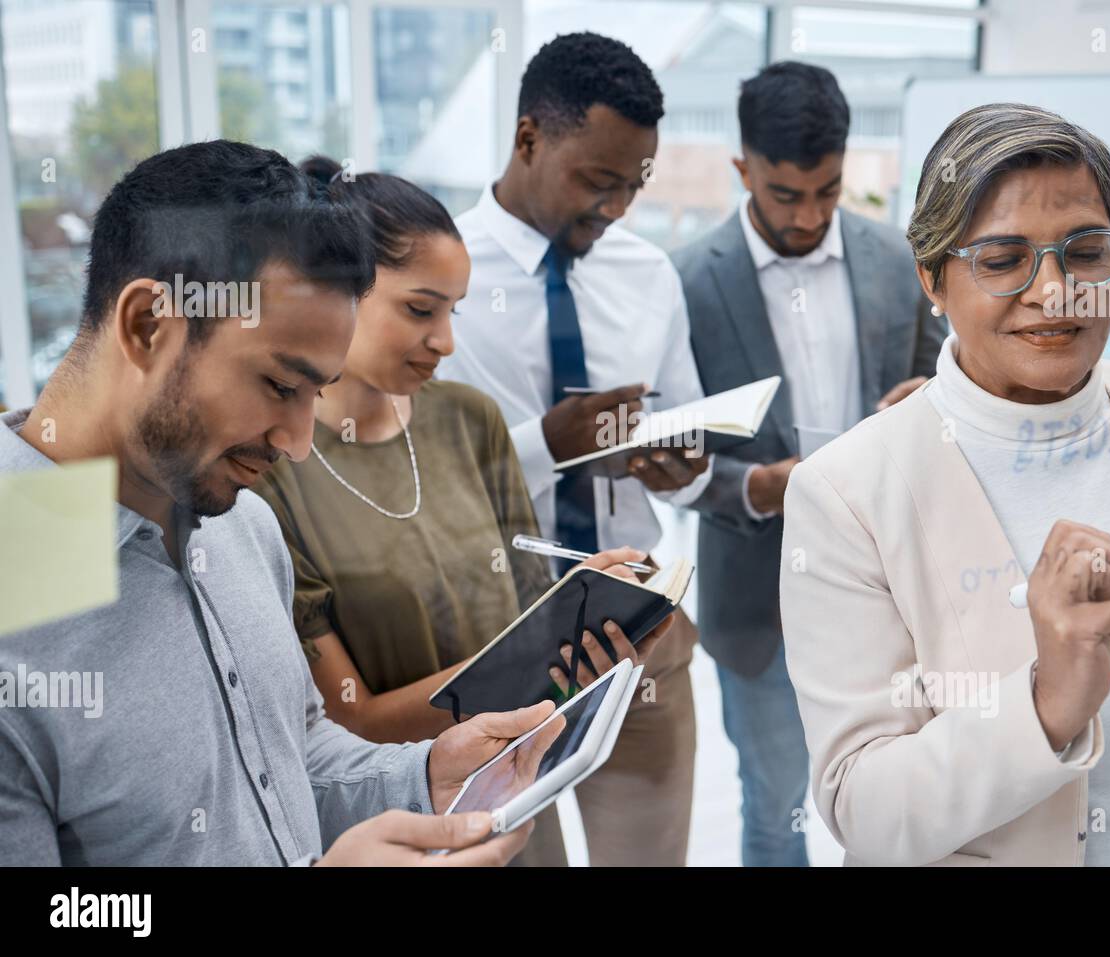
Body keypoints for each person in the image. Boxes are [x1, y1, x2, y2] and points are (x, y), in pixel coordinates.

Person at [0, 140, 549, 866]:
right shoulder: (20, 582)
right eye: (280, 386)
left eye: (316, 393)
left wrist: (420, 776)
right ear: (146, 327)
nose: (296, 443)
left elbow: (288, 756)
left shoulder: (243, 526)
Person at [779, 103, 1110, 866]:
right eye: (1001, 259)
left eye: (1086, 251)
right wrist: (1046, 703)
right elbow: (865, 807)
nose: (1056, 292)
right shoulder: (848, 492)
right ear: (932, 277)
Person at [252, 158, 675, 867]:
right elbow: (346, 718)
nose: (446, 341)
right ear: (337, 292)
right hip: (393, 832)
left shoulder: (469, 421)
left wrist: (590, 636)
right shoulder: (270, 472)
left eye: (454, 311)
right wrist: (529, 661)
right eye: (420, 310)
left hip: (519, 797)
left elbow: (533, 619)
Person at [436, 31, 706, 866]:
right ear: (528, 139)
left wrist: (686, 470)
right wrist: (546, 447)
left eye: (635, 183)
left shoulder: (648, 273)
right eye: (598, 180)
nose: (617, 205)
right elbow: (417, 476)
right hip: (497, 639)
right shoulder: (437, 275)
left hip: (639, 636)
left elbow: (690, 439)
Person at [673, 61, 945, 867]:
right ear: (742, 169)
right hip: (759, 603)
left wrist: (929, 401)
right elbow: (671, 455)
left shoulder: (898, 259)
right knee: (777, 808)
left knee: (904, 794)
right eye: (785, 194)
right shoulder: (686, 282)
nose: (809, 214)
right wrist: (759, 486)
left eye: (827, 191)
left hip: (892, 585)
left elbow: (945, 384)